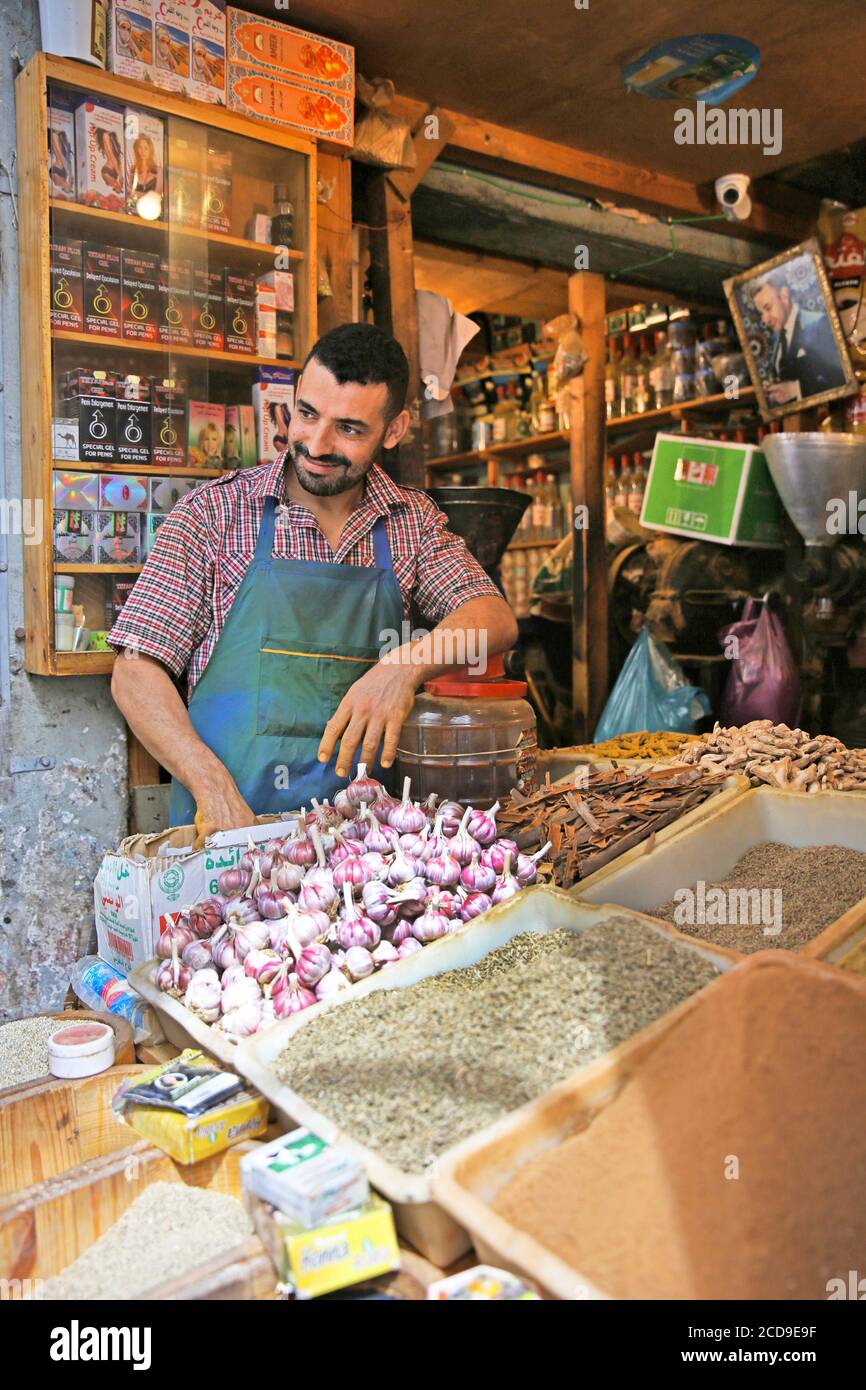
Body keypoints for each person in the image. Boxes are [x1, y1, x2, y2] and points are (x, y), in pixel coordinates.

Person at [109, 323, 517, 836]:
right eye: (306, 414)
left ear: (394, 430)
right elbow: (135, 672)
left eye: (348, 428)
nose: (316, 444)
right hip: (230, 835)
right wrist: (211, 786)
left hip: (365, 856)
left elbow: (492, 617)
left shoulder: (411, 521)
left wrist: (402, 669)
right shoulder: (213, 513)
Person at [751, 270, 847, 405]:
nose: (765, 319)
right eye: (761, 313)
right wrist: (773, 386)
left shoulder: (819, 324)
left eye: (768, 308)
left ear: (784, 296)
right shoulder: (775, 339)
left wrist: (797, 389)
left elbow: (842, 378)